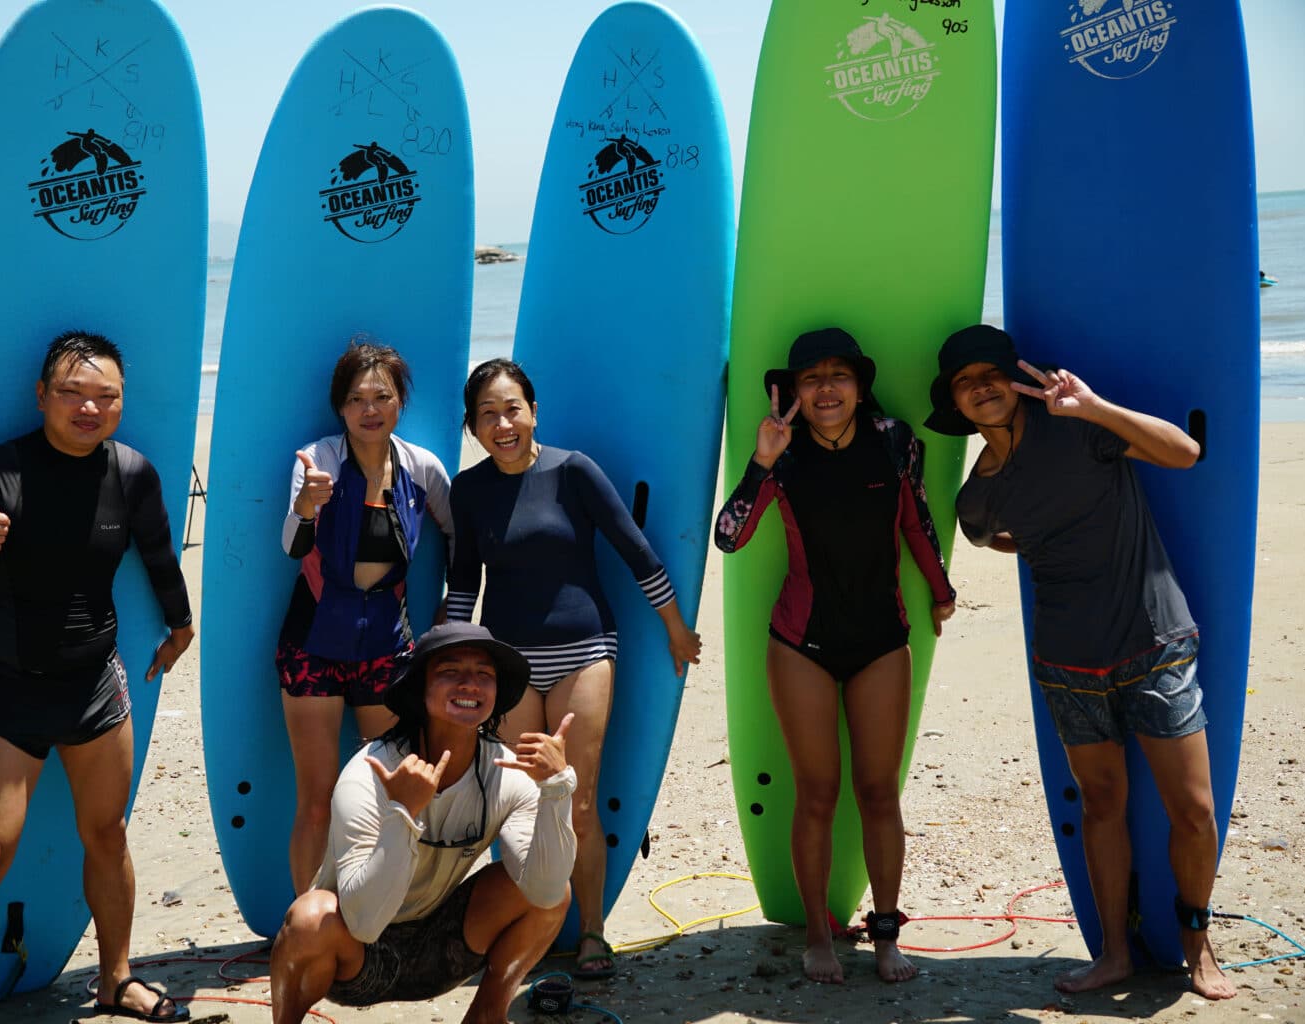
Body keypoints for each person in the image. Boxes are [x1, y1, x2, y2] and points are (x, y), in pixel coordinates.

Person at [924, 323, 1233, 1000]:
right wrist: (1042, 546)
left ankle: (1197, 942)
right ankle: (1115, 953)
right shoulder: (976, 497)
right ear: (957, 403)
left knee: (1194, 809)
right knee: (1101, 805)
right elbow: (987, 538)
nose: (981, 388)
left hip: (1155, 645)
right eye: (965, 383)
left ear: (1017, 381)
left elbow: (1183, 453)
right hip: (1068, 662)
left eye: (992, 374)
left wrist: (1093, 406)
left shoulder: (1078, 428)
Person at [0, 330, 194, 1023]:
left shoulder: (130, 471)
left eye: (106, 395)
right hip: (13, 688)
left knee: (107, 834)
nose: (89, 407)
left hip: (95, 688)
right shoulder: (0, 470)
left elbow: (158, 552)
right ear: (42, 394)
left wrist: (181, 625)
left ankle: (115, 980)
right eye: (73, 393)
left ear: (120, 402)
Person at [713, 327, 956, 984]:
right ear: (792, 391)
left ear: (858, 385)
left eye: (838, 375)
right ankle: (818, 934)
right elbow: (728, 538)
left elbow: (917, 521)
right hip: (802, 642)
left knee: (880, 793)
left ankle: (885, 933)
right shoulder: (783, 456)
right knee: (817, 793)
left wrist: (941, 589)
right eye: (811, 378)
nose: (825, 389)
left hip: (881, 638)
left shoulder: (894, 441)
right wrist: (761, 461)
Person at [446, 357, 701, 979]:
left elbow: (635, 551)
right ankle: (530, 925)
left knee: (577, 801)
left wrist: (674, 627)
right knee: (524, 805)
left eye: (512, 408)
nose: (502, 423)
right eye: (487, 414)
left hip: (583, 653)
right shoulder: (470, 490)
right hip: (507, 665)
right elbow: (462, 584)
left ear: (533, 411)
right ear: (473, 427)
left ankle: (591, 933)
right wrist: (449, 660)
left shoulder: (573, 470)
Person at [269, 621, 576, 1024]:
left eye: (484, 675)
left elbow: (546, 890)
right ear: (420, 689)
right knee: (309, 918)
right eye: (450, 672)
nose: (470, 685)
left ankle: (487, 1015)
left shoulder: (506, 774)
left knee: (554, 891)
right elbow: (362, 923)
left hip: (442, 950)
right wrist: (402, 813)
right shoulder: (370, 773)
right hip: (356, 958)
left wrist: (557, 787)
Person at [278, 339, 452, 895]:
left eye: (382, 396)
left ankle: (384, 908)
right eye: (356, 399)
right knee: (316, 797)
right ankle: (305, 919)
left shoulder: (423, 468)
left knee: (391, 790)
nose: (369, 409)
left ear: (401, 402)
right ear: (340, 407)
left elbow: (462, 534)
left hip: (385, 645)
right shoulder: (319, 459)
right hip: (313, 643)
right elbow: (290, 543)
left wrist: (456, 604)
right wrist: (307, 504)